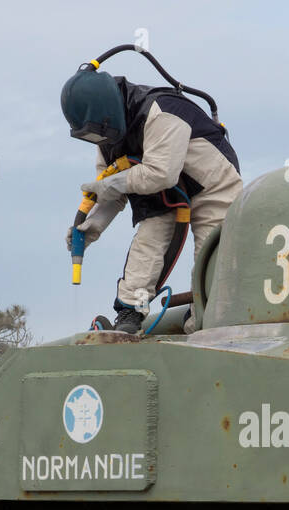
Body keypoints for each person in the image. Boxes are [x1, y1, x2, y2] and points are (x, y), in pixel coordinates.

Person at [61, 63, 241, 333]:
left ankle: (204, 322)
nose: (101, 141)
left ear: (109, 112)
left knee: (213, 258)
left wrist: (114, 184)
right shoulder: (108, 136)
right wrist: (92, 226)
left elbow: (161, 173)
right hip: (160, 192)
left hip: (211, 185)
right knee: (148, 243)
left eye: (100, 134)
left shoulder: (161, 112)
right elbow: (110, 190)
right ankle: (129, 317)